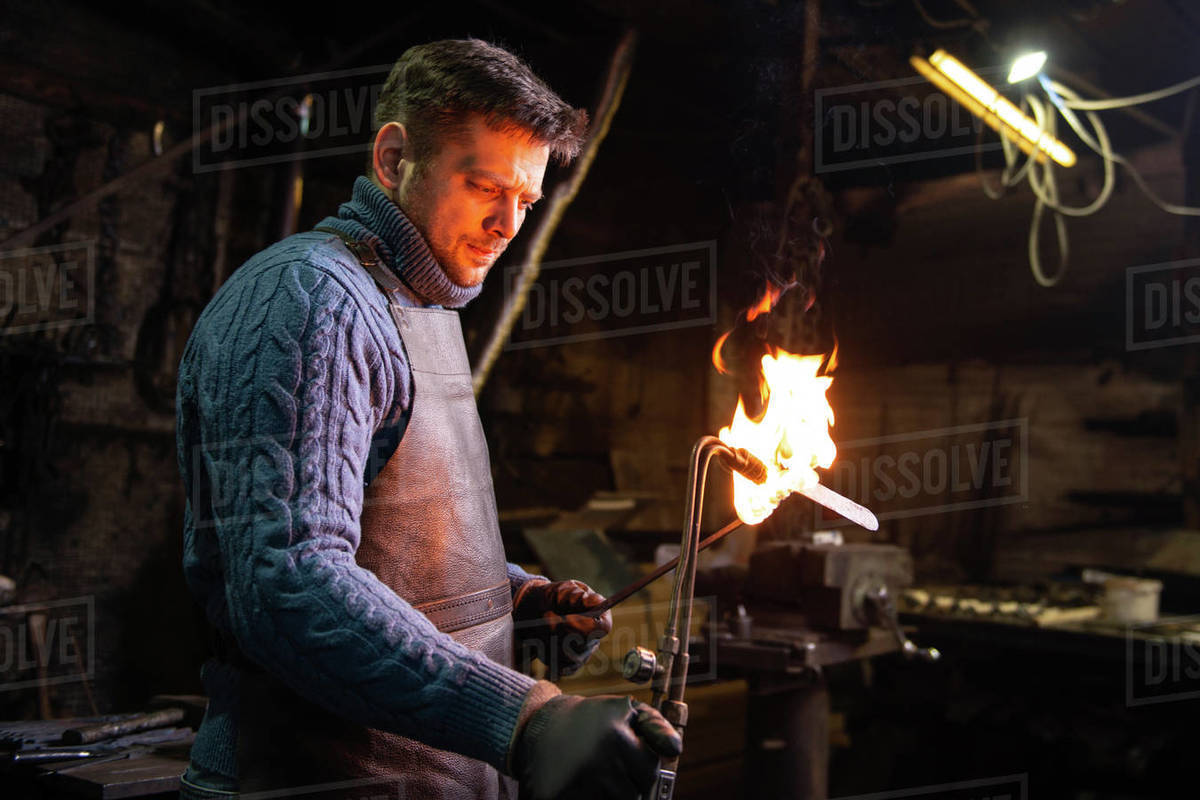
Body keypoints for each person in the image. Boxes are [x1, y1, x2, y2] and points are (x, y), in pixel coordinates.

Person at [176, 38, 681, 800]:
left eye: (527, 200)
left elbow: (392, 537)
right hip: (318, 784)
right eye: (484, 185)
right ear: (392, 160)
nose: (508, 223)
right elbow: (293, 582)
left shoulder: (421, 304)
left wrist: (514, 602)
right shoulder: (316, 300)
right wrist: (525, 716)